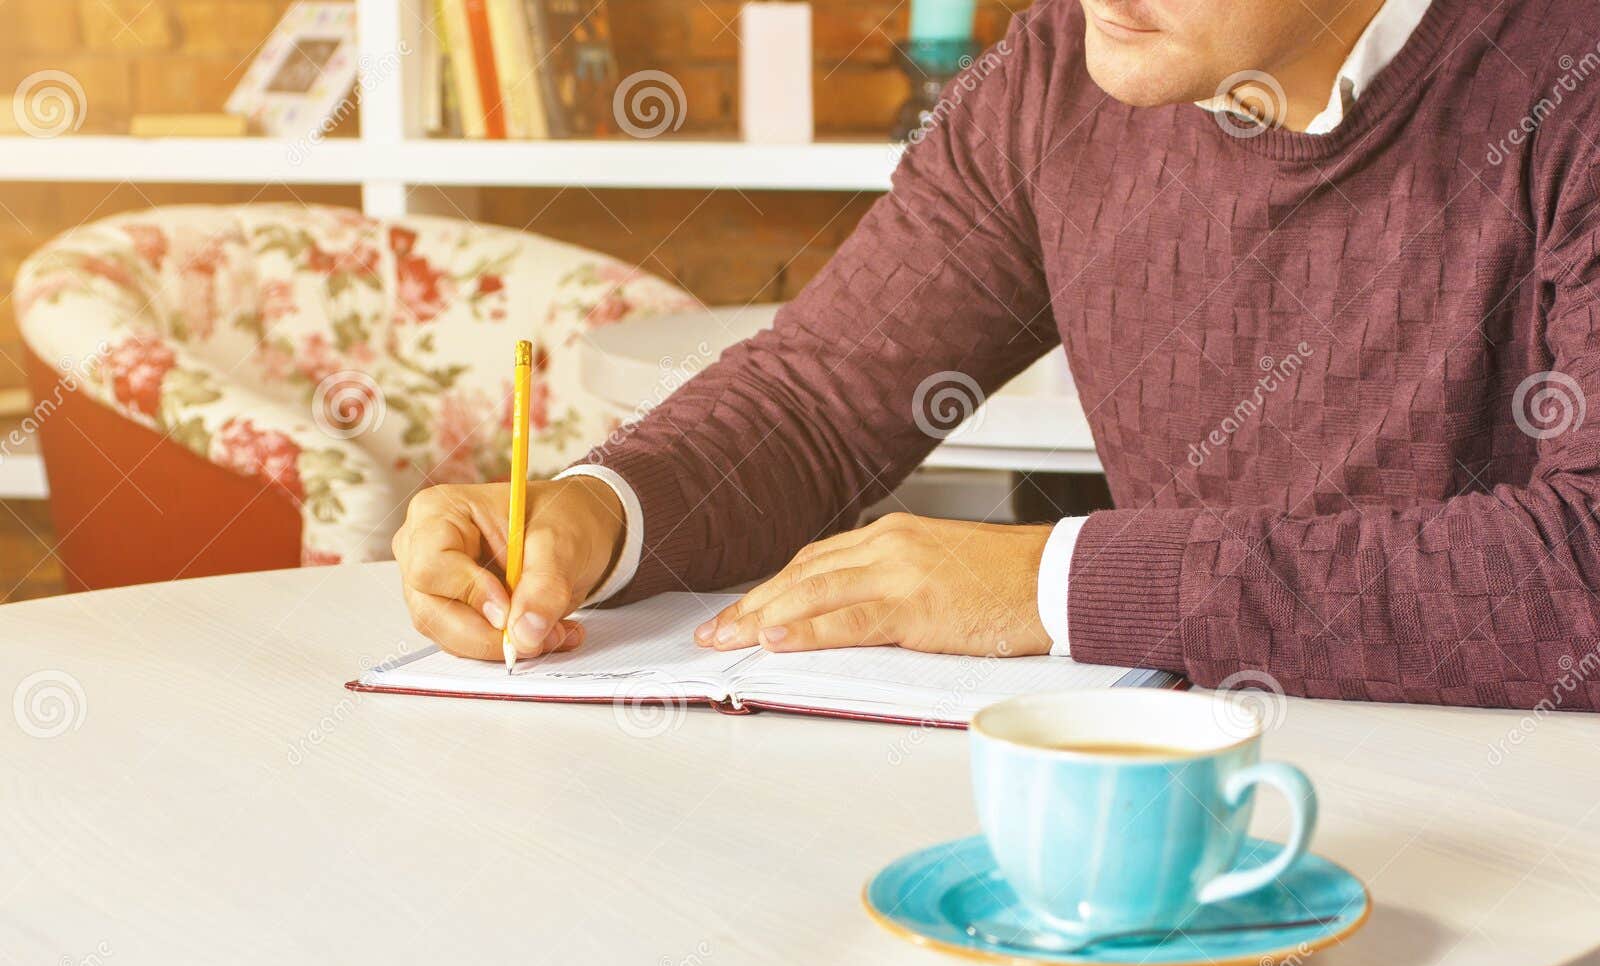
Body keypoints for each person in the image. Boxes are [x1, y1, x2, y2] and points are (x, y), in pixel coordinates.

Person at [394, 0, 1600, 711]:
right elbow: (820, 399)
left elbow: (1584, 572)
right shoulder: (1055, 76)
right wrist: (600, 515)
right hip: (1189, 811)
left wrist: (1050, 585)